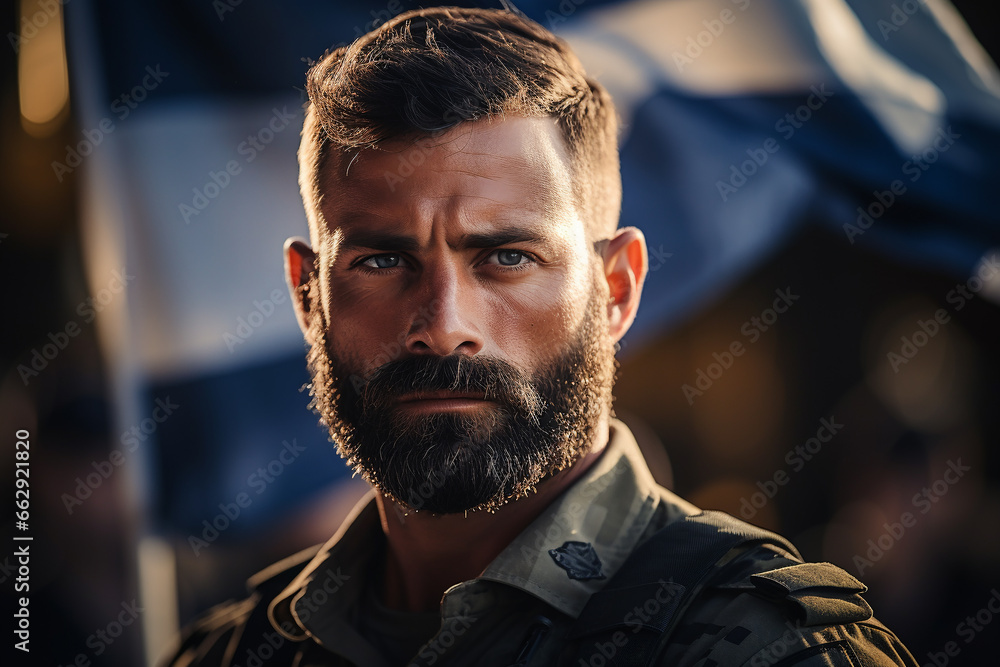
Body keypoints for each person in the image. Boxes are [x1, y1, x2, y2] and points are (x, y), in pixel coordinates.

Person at [164, 7, 918, 666]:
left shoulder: (779, 653)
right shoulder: (228, 653)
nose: (445, 325)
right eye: (383, 259)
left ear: (615, 287)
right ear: (308, 293)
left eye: (506, 257)